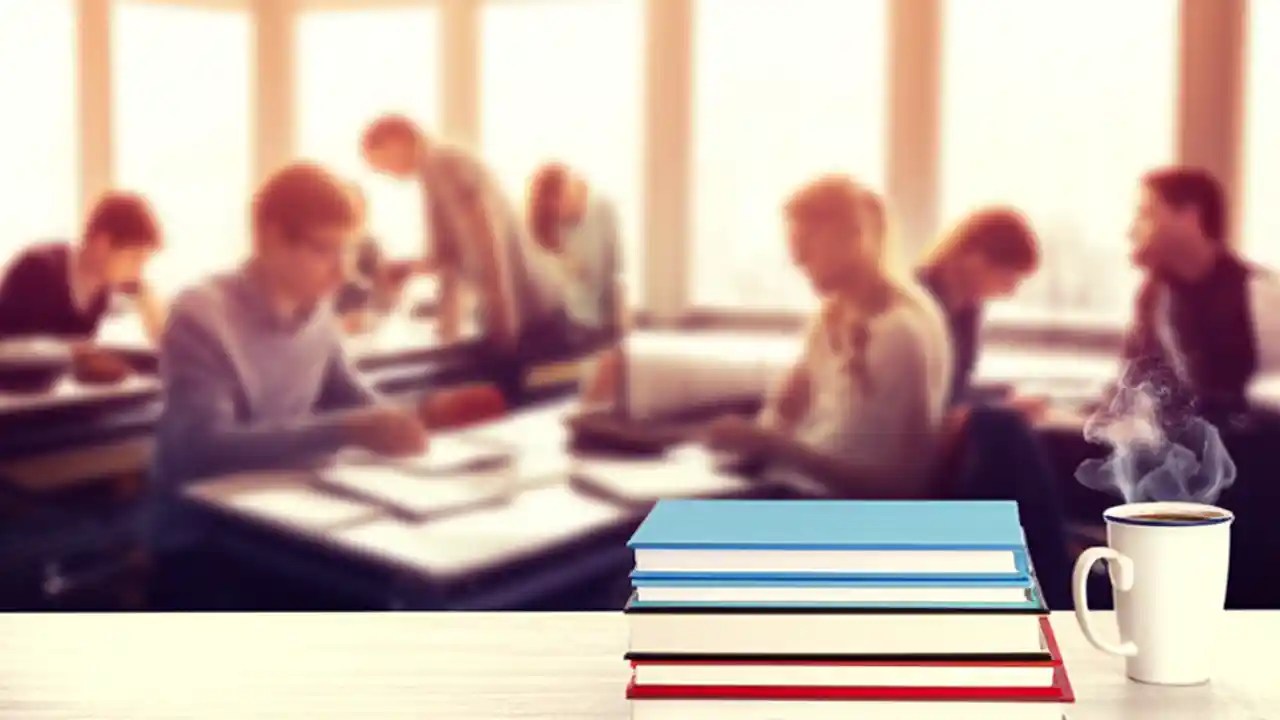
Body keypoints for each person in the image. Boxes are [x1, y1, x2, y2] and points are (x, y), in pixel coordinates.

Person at [153, 162, 428, 489]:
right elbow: (203, 449)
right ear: (272, 238)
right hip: (204, 525)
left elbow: (350, 397)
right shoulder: (200, 316)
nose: (342, 272)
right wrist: (346, 430)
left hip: (282, 503)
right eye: (325, 250)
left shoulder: (316, 310)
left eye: (347, 251)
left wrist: (401, 423)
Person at [702, 176, 953, 498]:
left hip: (835, 519)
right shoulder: (830, 318)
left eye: (806, 241)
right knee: (636, 531)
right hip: (789, 493)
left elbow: (901, 487)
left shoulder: (900, 333)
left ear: (853, 238)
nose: (796, 258)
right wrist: (769, 427)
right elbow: (794, 423)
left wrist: (778, 446)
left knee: (642, 543)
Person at [360, 116, 567, 372]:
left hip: (534, 313)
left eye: (379, 162)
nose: (385, 173)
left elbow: (489, 244)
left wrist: (503, 324)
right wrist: (408, 270)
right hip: (529, 313)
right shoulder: (433, 172)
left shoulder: (445, 163)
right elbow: (450, 258)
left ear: (396, 141)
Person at [1121, 166, 1257, 426]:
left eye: (1145, 214)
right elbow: (1131, 384)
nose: (1131, 231)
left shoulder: (1258, 298)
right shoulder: (1153, 295)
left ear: (1189, 216)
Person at [0, 193, 166, 378]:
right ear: (102, 244)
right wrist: (76, 351)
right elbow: (11, 348)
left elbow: (160, 339)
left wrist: (146, 299)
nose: (138, 271)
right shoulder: (37, 268)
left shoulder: (103, 289)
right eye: (135, 258)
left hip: (54, 392)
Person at [917, 207, 1040, 406]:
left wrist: (1003, 398)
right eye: (1007, 277)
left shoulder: (968, 310)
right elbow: (931, 401)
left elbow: (955, 390)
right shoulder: (917, 305)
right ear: (974, 258)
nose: (1009, 291)